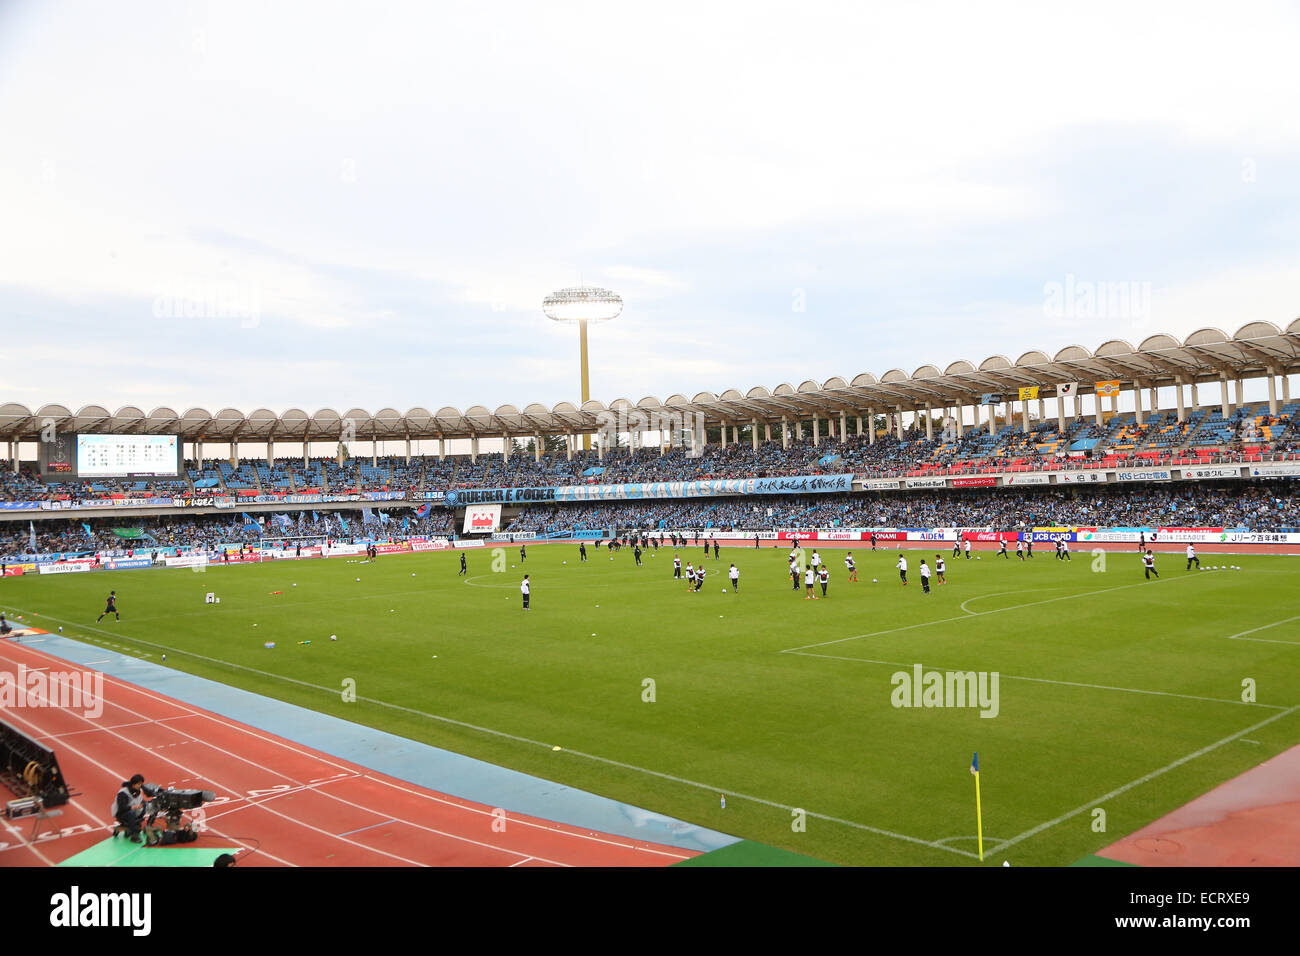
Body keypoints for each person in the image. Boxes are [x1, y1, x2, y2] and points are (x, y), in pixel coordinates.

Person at [112, 774, 149, 842]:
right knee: (131, 813)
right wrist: (133, 807)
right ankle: (134, 836)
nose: (140, 786)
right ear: (133, 784)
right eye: (139, 784)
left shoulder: (137, 791)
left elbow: (140, 800)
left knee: (145, 805)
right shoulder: (123, 793)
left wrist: (143, 804)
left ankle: (136, 825)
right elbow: (121, 808)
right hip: (120, 813)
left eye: (141, 784)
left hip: (132, 810)